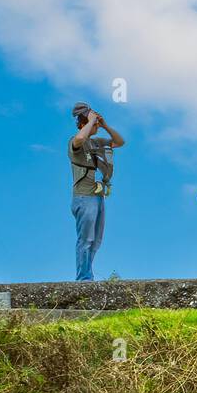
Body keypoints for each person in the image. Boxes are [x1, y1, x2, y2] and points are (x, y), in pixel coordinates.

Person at [69, 102, 125, 282]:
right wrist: (90, 121)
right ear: (83, 124)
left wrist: (105, 125)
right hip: (84, 197)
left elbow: (119, 142)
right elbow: (79, 139)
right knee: (85, 239)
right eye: (93, 123)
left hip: (98, 197)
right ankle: (83, 278)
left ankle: (87, 275)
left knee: (95, 241)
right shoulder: (75, 141)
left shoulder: (97, 143)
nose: (96, 125)